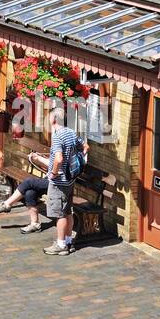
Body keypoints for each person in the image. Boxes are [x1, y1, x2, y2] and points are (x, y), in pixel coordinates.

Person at [43, 104, 88, 257]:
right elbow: (85, 147)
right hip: (70, 180)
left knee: (59, 214)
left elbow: (58, 158)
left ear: (54, 119)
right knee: (68, 210)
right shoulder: (71, 132)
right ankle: (69, 242)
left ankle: (61, 244)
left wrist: (53, 174)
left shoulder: (57, 136)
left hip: (60, 182)